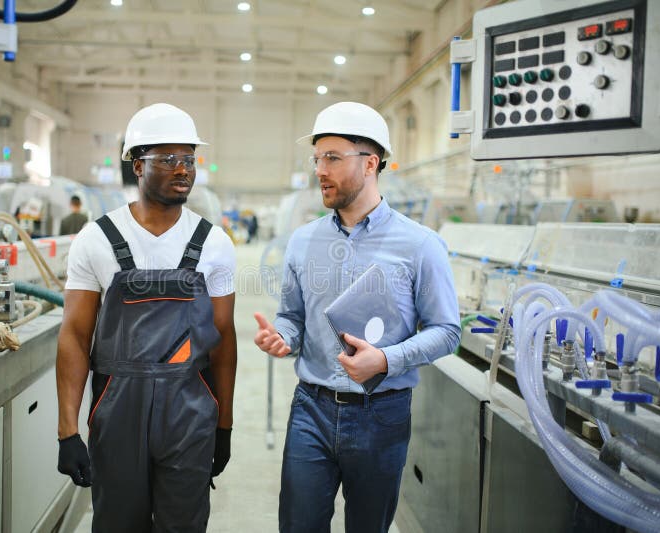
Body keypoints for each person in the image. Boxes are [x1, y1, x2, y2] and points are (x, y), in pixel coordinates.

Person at [253, 101, 460, 533]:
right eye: (316, 159)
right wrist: (283, 338)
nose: (320, 170)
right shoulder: (303, 242)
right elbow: (292, 317)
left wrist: (384, 361)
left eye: (332, 158)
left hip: (381, 414)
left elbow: (446, 332)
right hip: (312, 407)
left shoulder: (420, 245)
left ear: (370, 163)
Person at [56, 103, 237, 532]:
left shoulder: (213, 244)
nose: (183, 170)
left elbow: (223, 340)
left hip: (189, 409)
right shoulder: (97, 240)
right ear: (138, 165)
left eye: (190, 160)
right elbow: (75, 337)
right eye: (169, 159)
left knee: (184, 525)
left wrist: (224, 424)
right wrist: (67, 430)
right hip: (117, 407)